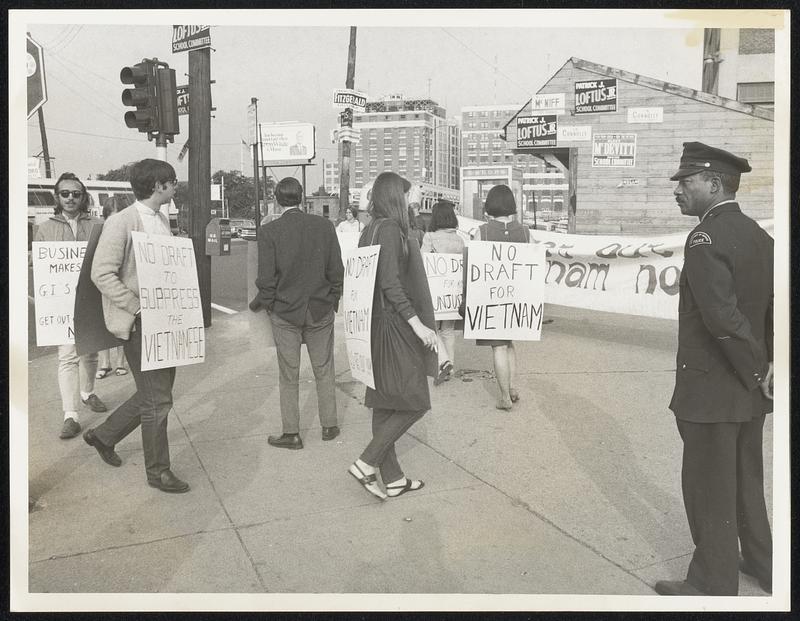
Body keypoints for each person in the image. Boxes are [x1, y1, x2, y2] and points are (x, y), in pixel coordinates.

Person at [654, 142, 773, 597]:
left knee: (708, 485)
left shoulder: (704, 238)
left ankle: (713, 580)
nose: (678, 190)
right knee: (746, 481)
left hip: (714, 388)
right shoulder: (760, 236)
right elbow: (774, 309)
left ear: (715, 183)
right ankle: (765, 565)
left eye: (687, 181)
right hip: (751, 390)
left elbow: (722, 318)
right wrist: (769, 368)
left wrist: (756, 366)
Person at [85, 159, 190, 494]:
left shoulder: (161, 219)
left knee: (154, 395)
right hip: (139, 324)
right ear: (158, 185)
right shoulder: (121, 222)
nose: (175, 187)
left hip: (165, 322)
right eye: (172, 181)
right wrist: (137, 307)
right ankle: (158, 472)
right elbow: (101, 273)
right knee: (158, 399)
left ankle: (103, 436)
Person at [348, 172, 438, 501]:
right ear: (394, 198)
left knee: (384, 404)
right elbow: (390, 284)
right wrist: (418, 325)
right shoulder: (388, 230)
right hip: (392, 324)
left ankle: (394, 478)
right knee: (416, 401)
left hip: (373, 325)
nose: (411, 201)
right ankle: (366, 461)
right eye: (407, 196)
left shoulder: (369, 230)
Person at [249, 177, 344, 449]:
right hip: (320, 309)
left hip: (285, 311)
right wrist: (333, 298)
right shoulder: (324, 227)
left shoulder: (270, 231)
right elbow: (336, 270)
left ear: (277, 200)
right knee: (324, 369)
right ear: (302, 198)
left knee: (289, 373)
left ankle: (291, 433)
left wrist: (262, 304)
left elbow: (267, 278)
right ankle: (329, 425)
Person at [34, 172, 108, 439]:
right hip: (61, 302)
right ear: (57, 196)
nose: (70, 198)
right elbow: (40, 265)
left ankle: (87, 392)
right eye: (65, 193)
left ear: (83, 197)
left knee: (90, 352)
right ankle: (71, 415)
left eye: (76, 194)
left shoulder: (97, 225)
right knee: (67, 356)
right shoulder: (45, 228)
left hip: (91, 297)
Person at [471, 184, 530, 411]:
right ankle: (512, 386)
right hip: (517, 299)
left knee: (498, 347)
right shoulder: (525, 232)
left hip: (491, 298)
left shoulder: (482, 232)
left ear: (490, 205)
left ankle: (505, 397)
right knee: (510, 343)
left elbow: (473, 266)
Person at [421, 200, 465, 385]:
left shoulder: (430, 237)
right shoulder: (460, 239)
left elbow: (423, 261)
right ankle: (451, 366)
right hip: (454, 292)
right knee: (448, 330)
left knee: (432, 328)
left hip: (435, 291)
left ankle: (443, 361)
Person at [95, 197, 128, 380]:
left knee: (121, 323)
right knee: (102, 324)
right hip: (102, 285)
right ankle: (105, 363)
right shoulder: (100, 232)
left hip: (120, 284)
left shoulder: (127, 231)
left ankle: (120, 362)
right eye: (110, 216)